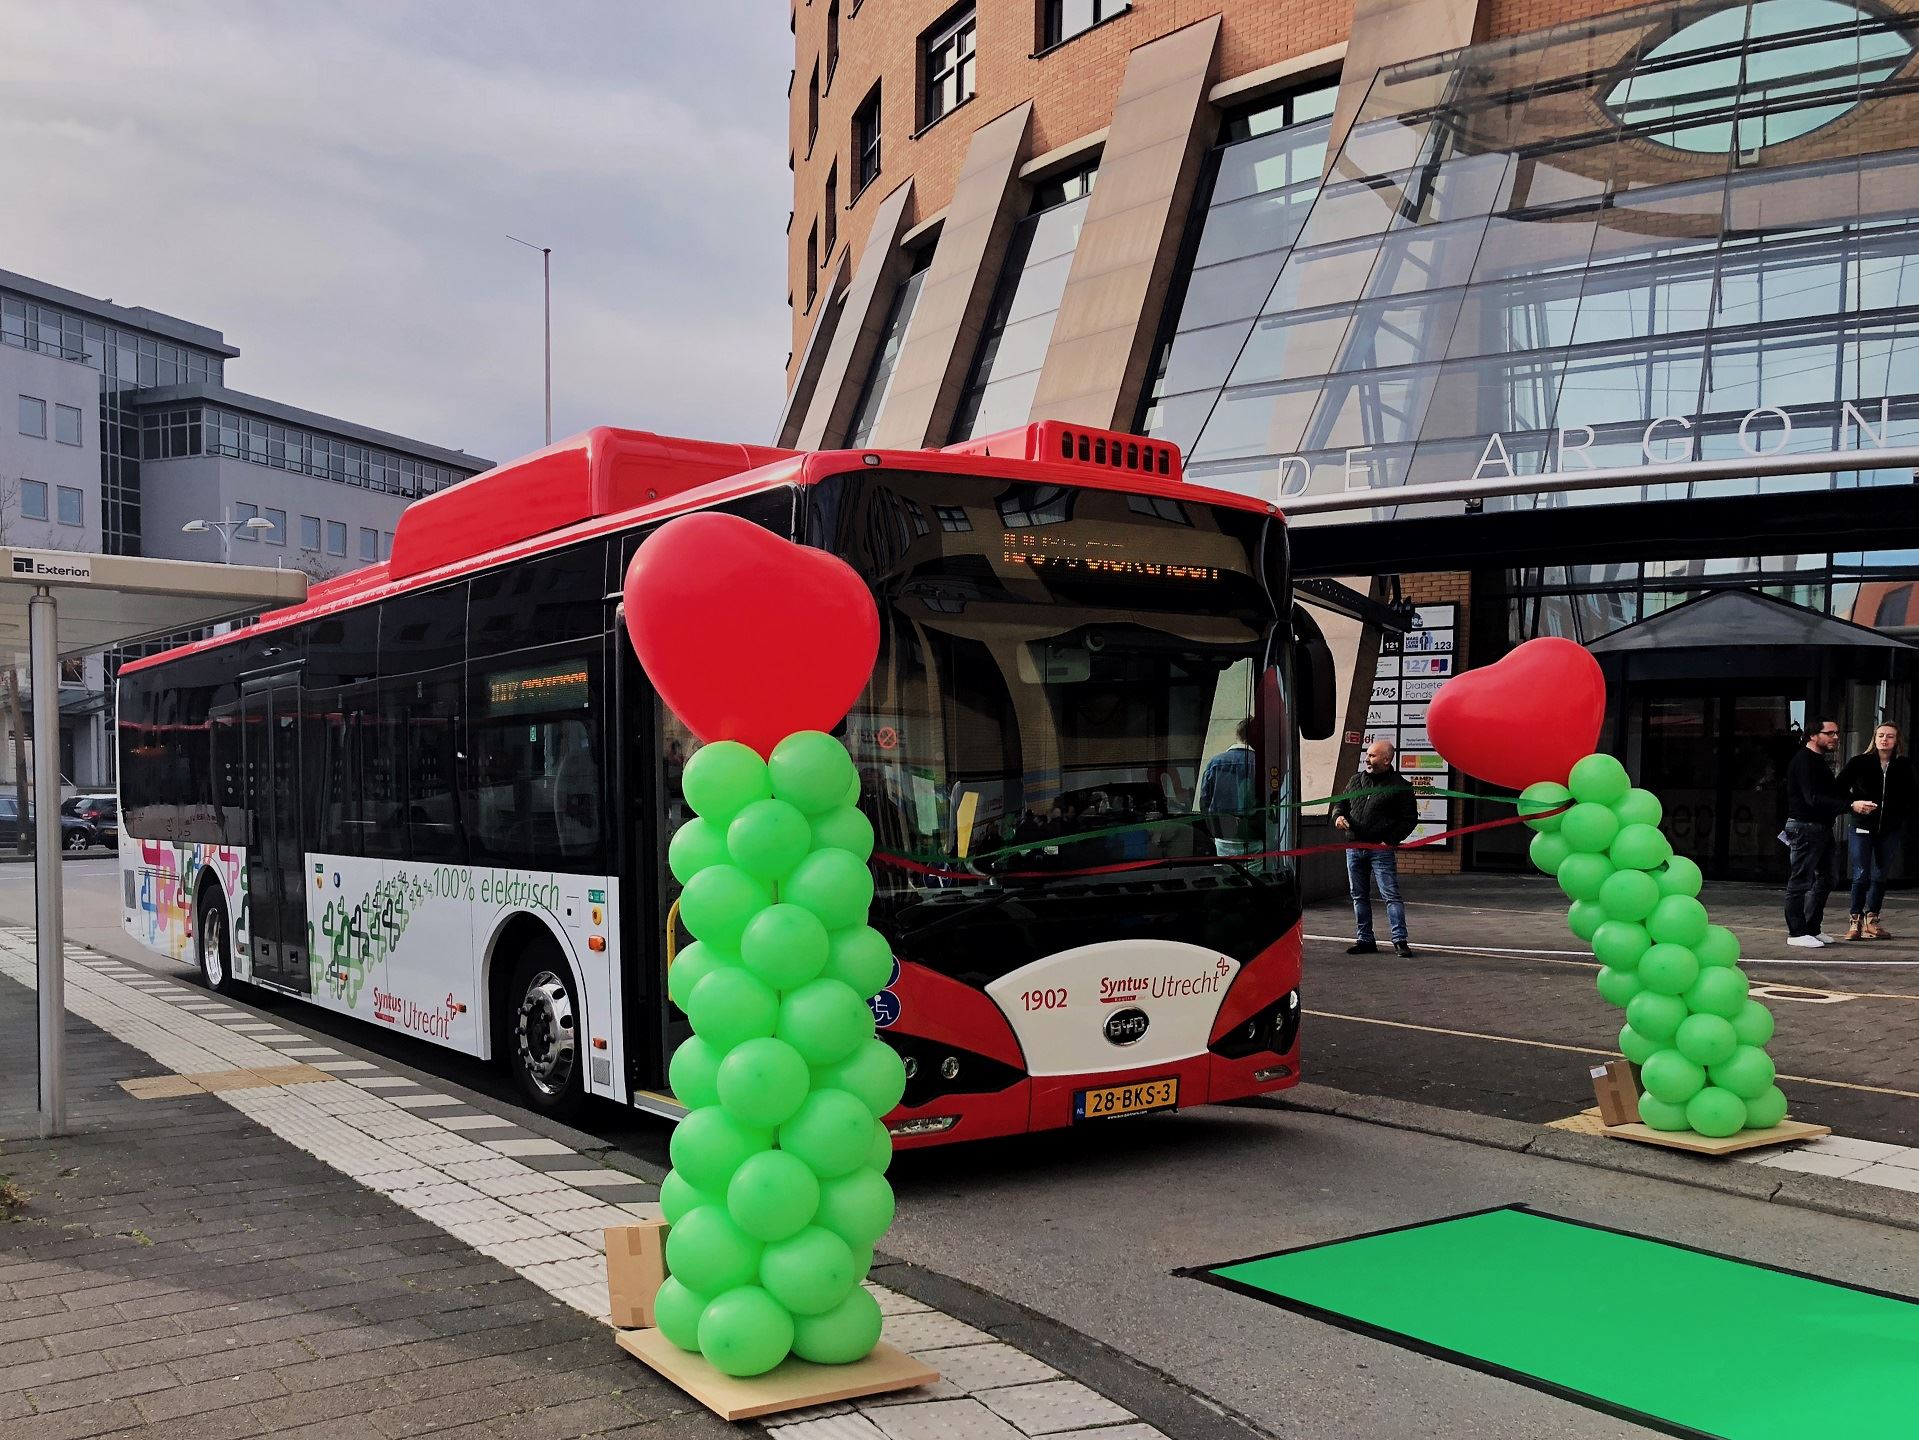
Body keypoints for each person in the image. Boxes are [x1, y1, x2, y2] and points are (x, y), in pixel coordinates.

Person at [1783, 717, 1879, 948]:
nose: (1835, 737)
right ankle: (1796, 932)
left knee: (1828, 878)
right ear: (1813, 735)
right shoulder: (1804, 761)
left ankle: (1812, 928)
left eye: (1836, 733)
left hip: (1820, 828)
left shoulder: (1818, 760)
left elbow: (1832, 793)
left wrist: (1854, 800)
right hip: (1805, 827)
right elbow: (1813, 798)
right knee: (1800, 880)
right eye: (1830, 733)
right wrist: (1851, 806)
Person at [1333, 739, 1419, 956]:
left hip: (1381, 850)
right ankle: (1365, 940)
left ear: (1386, 759)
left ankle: (1400, 940)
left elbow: (1409, 820)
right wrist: (1338, 816)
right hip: (1354, 847)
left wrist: (1389, 841)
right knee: (1358, 895)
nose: (1367, 759)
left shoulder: (1400, 786)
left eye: (1372, 755)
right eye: (1368, 754)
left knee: (1390, 895)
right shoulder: (1356, 780)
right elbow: (1340, 803)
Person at [1838, 722, 1915, 940]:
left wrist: (1899, 813)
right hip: (1862, 825)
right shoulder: (1859, 763)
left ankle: (1872, 920)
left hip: (1890, 829)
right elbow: (1838, 789)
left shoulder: (1903, 765)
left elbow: (1912, 795)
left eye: (1890, 736)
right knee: (1861, 873)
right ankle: (1855, 921)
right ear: (1874, 738)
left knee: (1880, 875)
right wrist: (1855, 803)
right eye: (1881, 735)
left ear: (1896, 740)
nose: (1885, 740)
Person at [1199, 719, 1259, 857]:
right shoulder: (1261, 762)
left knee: (1225, 876)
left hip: (1223, 837)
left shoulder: (1215, 763)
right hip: (1256, 837)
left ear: (1238, 736)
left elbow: (1204, 802)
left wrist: (1212, 830)